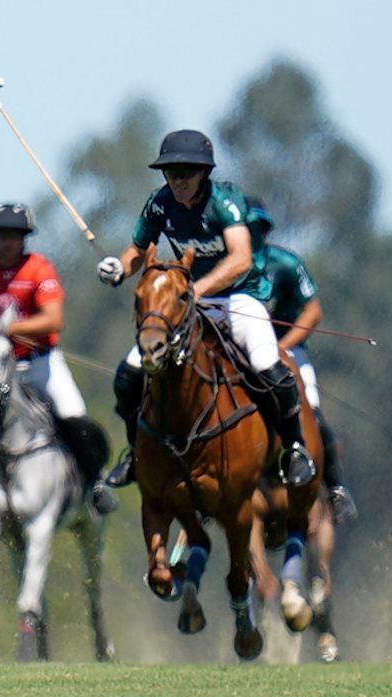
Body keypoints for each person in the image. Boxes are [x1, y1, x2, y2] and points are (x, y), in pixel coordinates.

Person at [96, 129, 315, 488]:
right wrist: (120, 268)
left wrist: (196, 290)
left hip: (237, 298)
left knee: (268, 367)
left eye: (187, 173)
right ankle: (138, 453)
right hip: (187, 304)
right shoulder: (159, 204)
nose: (178, 181)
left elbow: (241, 258)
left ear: (204, 173)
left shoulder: (224, 203)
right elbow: (138, 250)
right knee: (129, 375)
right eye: (172, 173)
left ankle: (294, 448)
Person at [0, 203, 118, 527]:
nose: (7, 241)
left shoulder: (39, 271)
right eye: (1, 235)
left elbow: (53, 318)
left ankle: (95, 484)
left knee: (76, 418)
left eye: (14, 235)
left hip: (41, 364)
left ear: (24, 238)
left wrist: (9, 328)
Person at [246, 196, 357, 524]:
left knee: (313, 411)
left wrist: (284, 345)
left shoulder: (285, 264)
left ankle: (335, 488)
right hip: (239, 348)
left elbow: (313, 311)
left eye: (256, 227)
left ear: (264, 229)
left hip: (287, 351)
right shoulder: (226, 265)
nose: (250, 234)